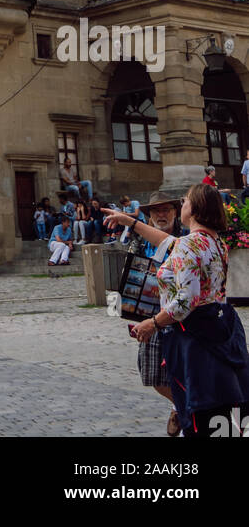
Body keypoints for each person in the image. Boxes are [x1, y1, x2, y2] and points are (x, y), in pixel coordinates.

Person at [106, 184, 249, 438]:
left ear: (194, 209)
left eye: (185, 202)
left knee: (199, 405)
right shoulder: (215, 243)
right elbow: (170, 243)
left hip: (194, 337)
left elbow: (185, 300)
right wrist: (131, 222)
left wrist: (152, 323)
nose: (182, 205)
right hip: (220, 327)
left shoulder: (189, 246)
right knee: (222, 406)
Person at [104, 192, 184, 435]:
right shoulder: (139, 242)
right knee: (151, 373)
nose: (161, 214)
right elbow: (128, 276)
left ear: (175, 212)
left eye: (166, 210)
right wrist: (120, 309)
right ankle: (180, 405)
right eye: (156, 211)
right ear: (148, 216)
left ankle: (187, 410)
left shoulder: (183, 239)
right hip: (149, 315)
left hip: (178, 314)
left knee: (184, 370)